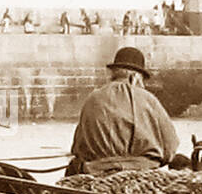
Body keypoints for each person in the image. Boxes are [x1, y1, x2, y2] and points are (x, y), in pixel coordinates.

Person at [68, 47, 181, 175]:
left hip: (95, 171)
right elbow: (171, 147)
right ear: (135, 77)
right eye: (142, 80)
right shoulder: (148, 99)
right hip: (141, 172)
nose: (143, 84)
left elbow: (78, 147)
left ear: (113, 74)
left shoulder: (93, 98)